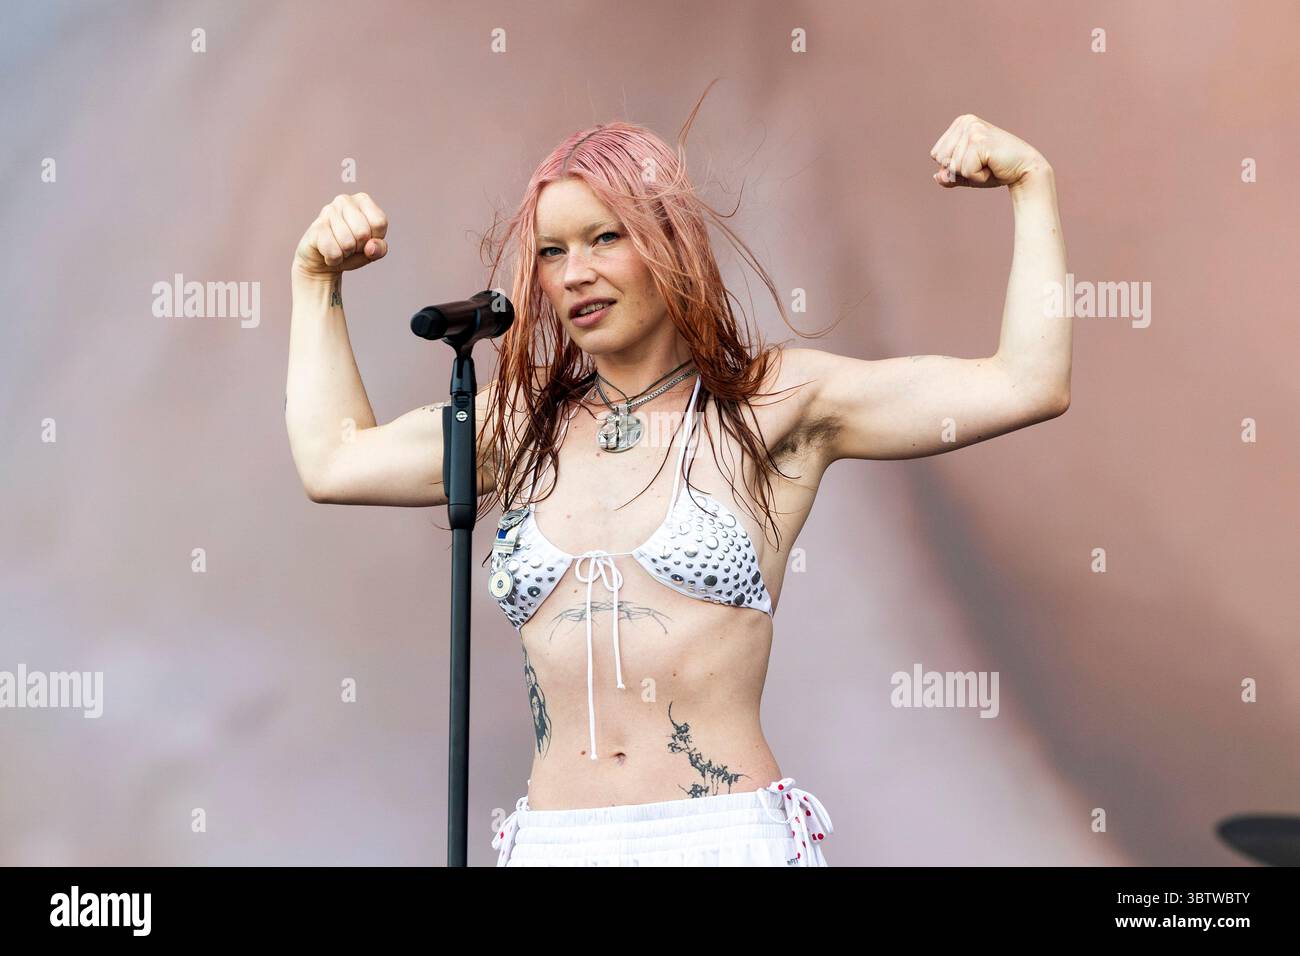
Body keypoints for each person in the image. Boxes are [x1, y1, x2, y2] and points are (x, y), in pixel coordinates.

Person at [284, 93, 1071, 866]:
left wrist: (1031, 184)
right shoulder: (522, 422)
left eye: (604, 238)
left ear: (669, 243)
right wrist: (316, 281)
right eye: (553, 252)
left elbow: (1025, 384)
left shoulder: (771, 405)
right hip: (556, 845)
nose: (576, 273)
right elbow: (335, 459)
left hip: (723, 838)